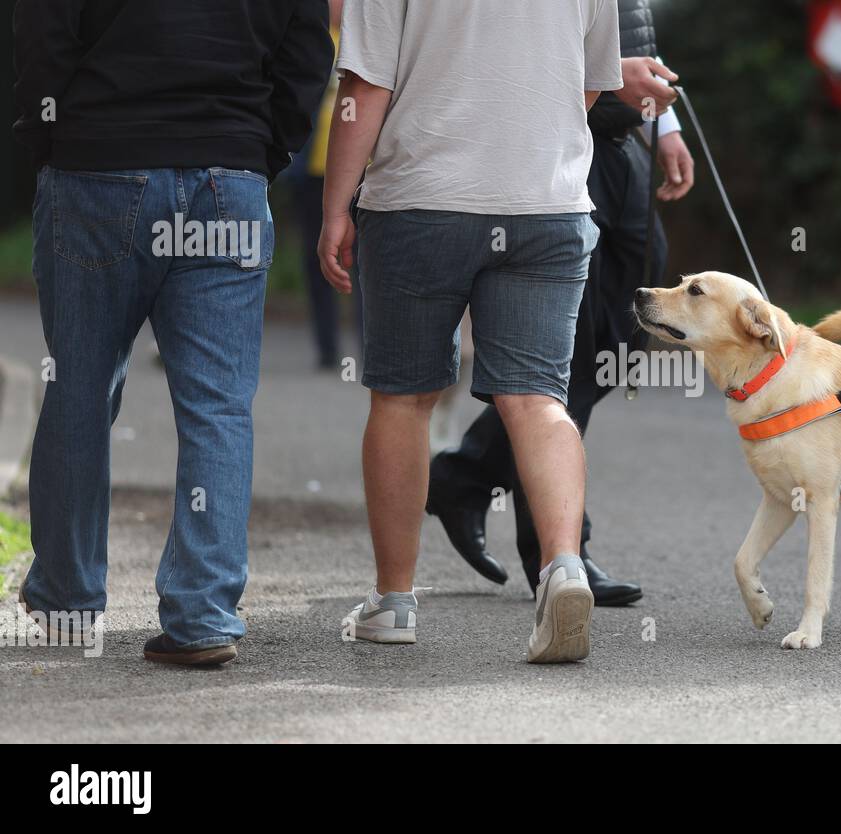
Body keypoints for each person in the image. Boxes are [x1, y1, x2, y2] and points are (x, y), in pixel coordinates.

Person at [13, 0, 334, 665]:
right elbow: (307, 50)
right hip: (228, 176)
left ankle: (69, 601)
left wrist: (58, 138)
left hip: (98, 168)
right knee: (218, 403)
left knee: (79, 387)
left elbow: (43, 34)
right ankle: (203, 613)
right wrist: (258, 150)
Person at [319, 0, 623, 662]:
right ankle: (564, 568)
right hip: (547, 203)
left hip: (421, 202)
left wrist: (336, 204)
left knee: (404, 398)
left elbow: (365, 85)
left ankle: (394, 604)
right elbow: (590, 83)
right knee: (539, 400)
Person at [425, 0, 693, 605]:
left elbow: (630, 27)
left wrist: (665, 125)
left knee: (624, 329)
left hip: (621, 141)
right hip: (561, 147)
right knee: (568, 350)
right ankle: (558, 554)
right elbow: (507, 43)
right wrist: (605, 76)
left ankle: (464, 475)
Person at [289, 0, 363, 370]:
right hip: (313, 172)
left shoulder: (364, 41)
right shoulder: (316, 41)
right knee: (316, 259)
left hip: (363, 174)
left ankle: (368, 348)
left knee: (365, 263)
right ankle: (328, 349)